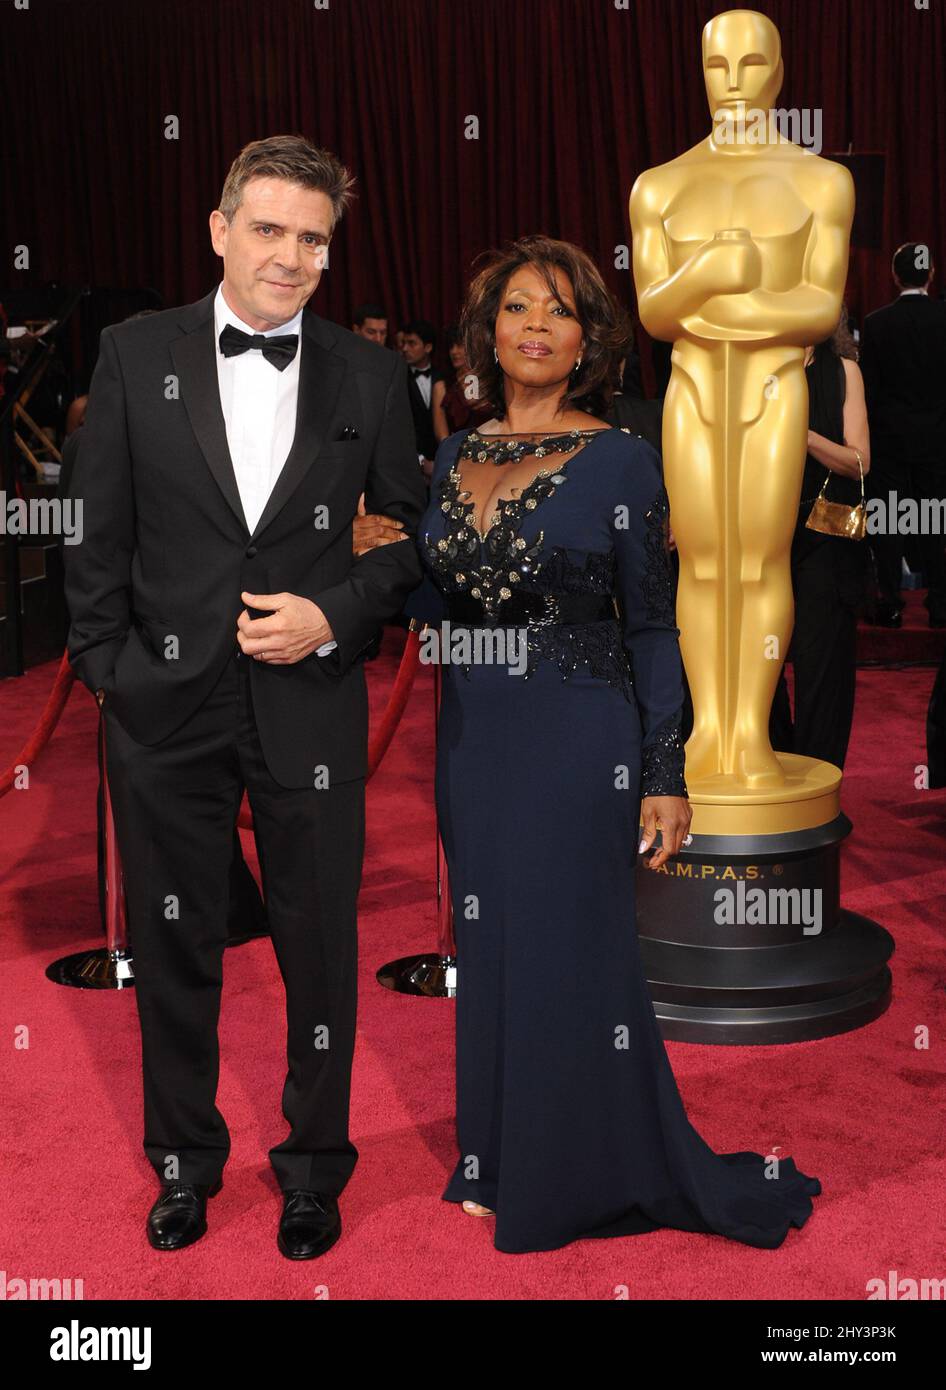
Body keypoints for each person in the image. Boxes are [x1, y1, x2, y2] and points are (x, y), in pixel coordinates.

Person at [369, 235, 822, 1254]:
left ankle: (575, 1169)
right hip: (476, 736)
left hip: (581, 735)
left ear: (586, 342)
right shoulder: (455, 452)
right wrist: (383, 565)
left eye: (559, 310)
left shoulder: (619, 457)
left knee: (570, 950)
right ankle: (494, 1152)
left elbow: (652, 622)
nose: (534, 325)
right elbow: (450, 603)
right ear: (488, 331)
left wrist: (665, 769)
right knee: (490, 945)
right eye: (517, 307)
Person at [63, 134, 425, 1260]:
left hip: (308, 703)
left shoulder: (369, 375)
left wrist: (337, 612)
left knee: (318, 947)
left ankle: (313, 1170)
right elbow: (94, 533)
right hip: (163, 710)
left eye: (313, 237)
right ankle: (184, 1166)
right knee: (174, 949)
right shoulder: (133, 353)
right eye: (268, 229)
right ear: (219, 230)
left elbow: (416, 539)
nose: (291, 255)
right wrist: (111, 672)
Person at [769, 312, 871, 771]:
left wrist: (803, 434)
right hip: (763, 530)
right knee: (761, 663)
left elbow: (860, 461)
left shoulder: (843, 369)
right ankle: (774, 761)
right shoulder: (761, 368)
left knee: (820, 663)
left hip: (825, 533)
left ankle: (818, 775)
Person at [860, 243, 946, 628]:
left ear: (895, 276)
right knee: (935, 518)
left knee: (888, 520)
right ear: (931, 275)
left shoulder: (877, 323)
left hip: (889, 440)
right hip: (937, 440)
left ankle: (890, 601)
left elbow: (869, 389)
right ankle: (940, 603)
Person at [432, 324, 493, 440]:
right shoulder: (442, 385)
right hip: (457, 451)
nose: (454, 351)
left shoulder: (490, 379)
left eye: (460, 345)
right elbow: (442, 436)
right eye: (451, 347)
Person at [400, 318, 442, 475]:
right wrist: (421, 461)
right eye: (403, 343)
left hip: (442, 463)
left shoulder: (444, 377)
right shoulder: (398, 380)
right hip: (411, 465)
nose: (404, 348)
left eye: (412, 343)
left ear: (428, 347)